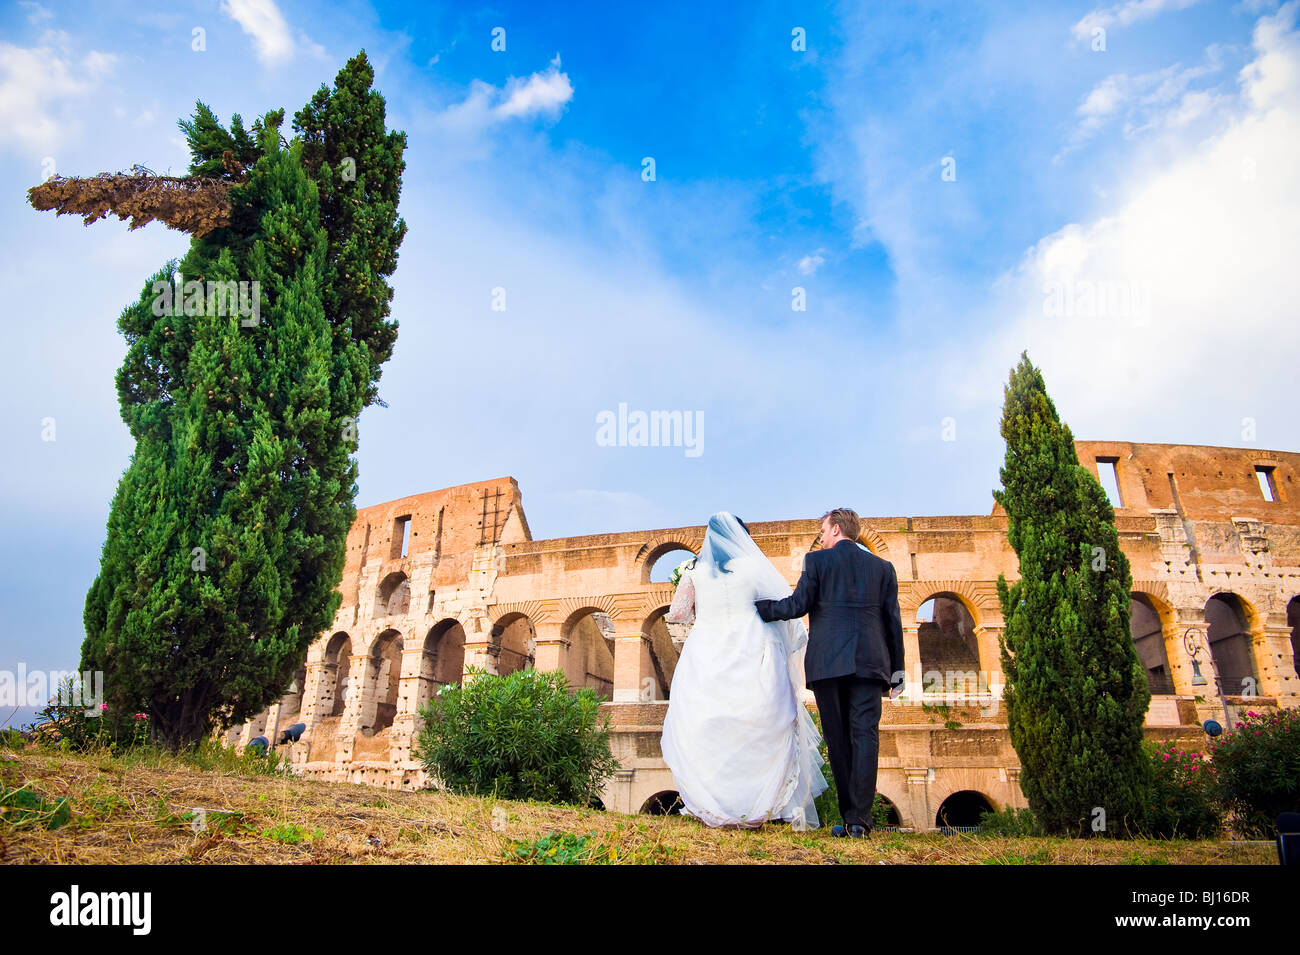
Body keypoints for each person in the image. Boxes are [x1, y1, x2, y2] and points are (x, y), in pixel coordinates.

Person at [660, 512, 829, 828]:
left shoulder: (694, 571)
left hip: (706, 650)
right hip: (752, 645)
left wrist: (690, 594)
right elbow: (783, 606)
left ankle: (717, 804)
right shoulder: (753, 568)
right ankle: (762, 805)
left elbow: (679, 614)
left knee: (710, 727)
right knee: (758, 723)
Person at [755, 508, 904, 838]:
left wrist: (759, 609)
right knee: (866, 737)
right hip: (871, 663)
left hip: (828, 665)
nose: (821, 536)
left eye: (824, 530)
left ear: (836, 530)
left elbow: (796, 606)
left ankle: (849, 816)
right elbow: (893, 622)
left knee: (838, 741)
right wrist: (899, 673)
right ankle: (860, 821)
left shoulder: (817, 561)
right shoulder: (883, 568)